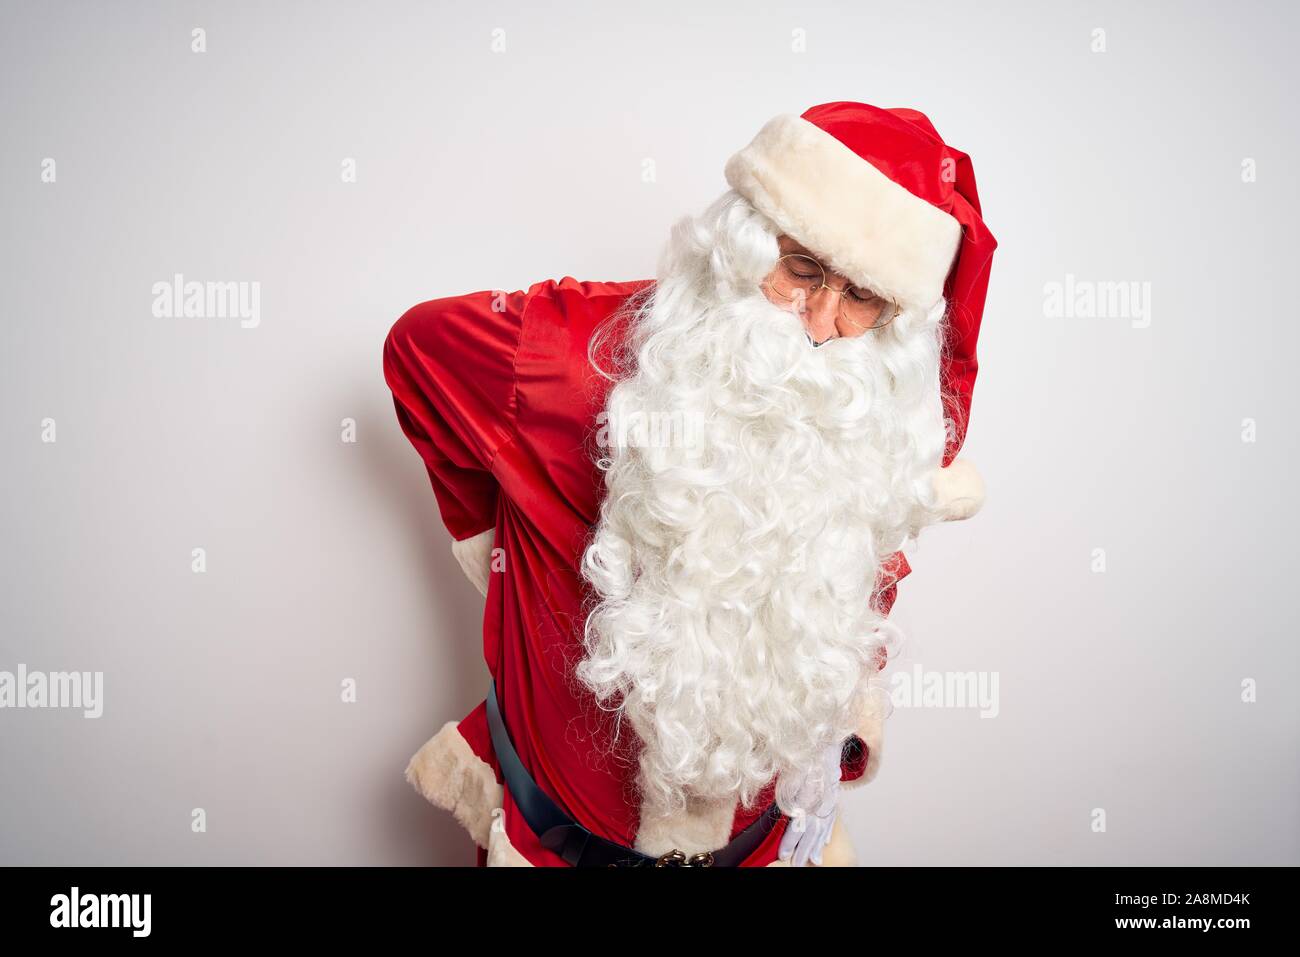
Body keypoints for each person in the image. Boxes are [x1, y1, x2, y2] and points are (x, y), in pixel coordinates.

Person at [382, 101, 997, 867]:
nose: (818, 320)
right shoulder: (569, 357)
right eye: (800, 269)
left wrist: (836, 714)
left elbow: (867, 567)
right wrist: (492, 546)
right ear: (742, 244)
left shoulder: (866, 416)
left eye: (862, 297)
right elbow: (416, 352)